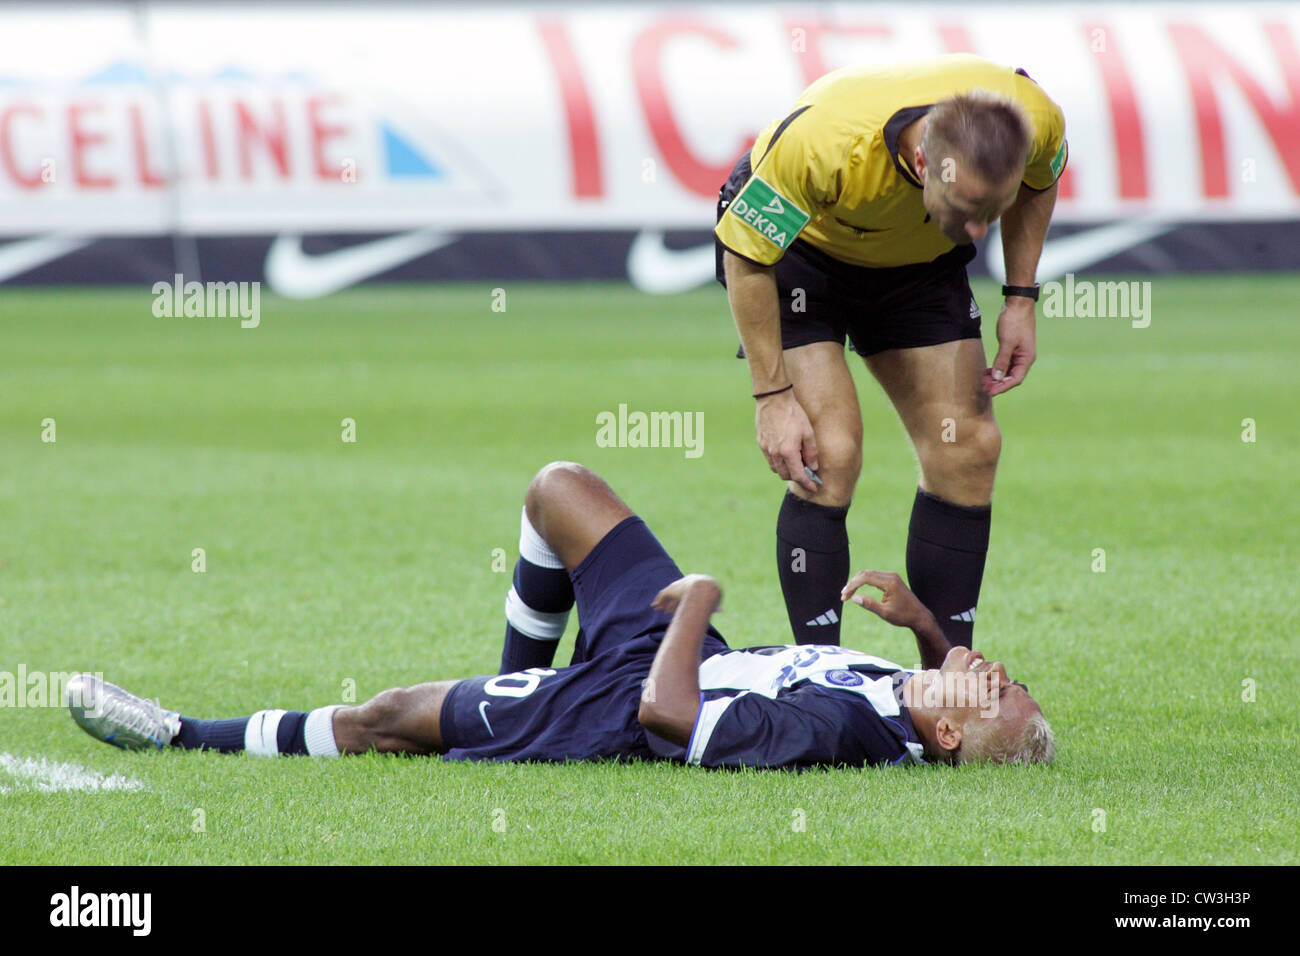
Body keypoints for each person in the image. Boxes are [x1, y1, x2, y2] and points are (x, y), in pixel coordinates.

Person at [68, 462, 1053, 769]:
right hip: (673, 645)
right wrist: (926, 625)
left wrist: (698, 604)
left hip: (628, 695)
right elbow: (945, 675)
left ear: (953, 725)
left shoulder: (839, 729)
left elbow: (674, 720)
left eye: (995, 689)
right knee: (560, 488)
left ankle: (179, 734)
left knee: (390, 715)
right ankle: (520, 668)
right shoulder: (911, 700)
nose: (994, 666)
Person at [715, 53, 1066, 647]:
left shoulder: (1033, 118)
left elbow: (1040, 182)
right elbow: (747, 259)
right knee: (830, 452)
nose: (978, 233)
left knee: (970, 446)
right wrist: (772, 396)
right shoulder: (823, 145)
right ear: (925, 159)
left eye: (990, 213)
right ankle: (823, 683)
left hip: (914, 266)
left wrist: (1021, 298)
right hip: (800, 260)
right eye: (966, 210)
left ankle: (946, 679)